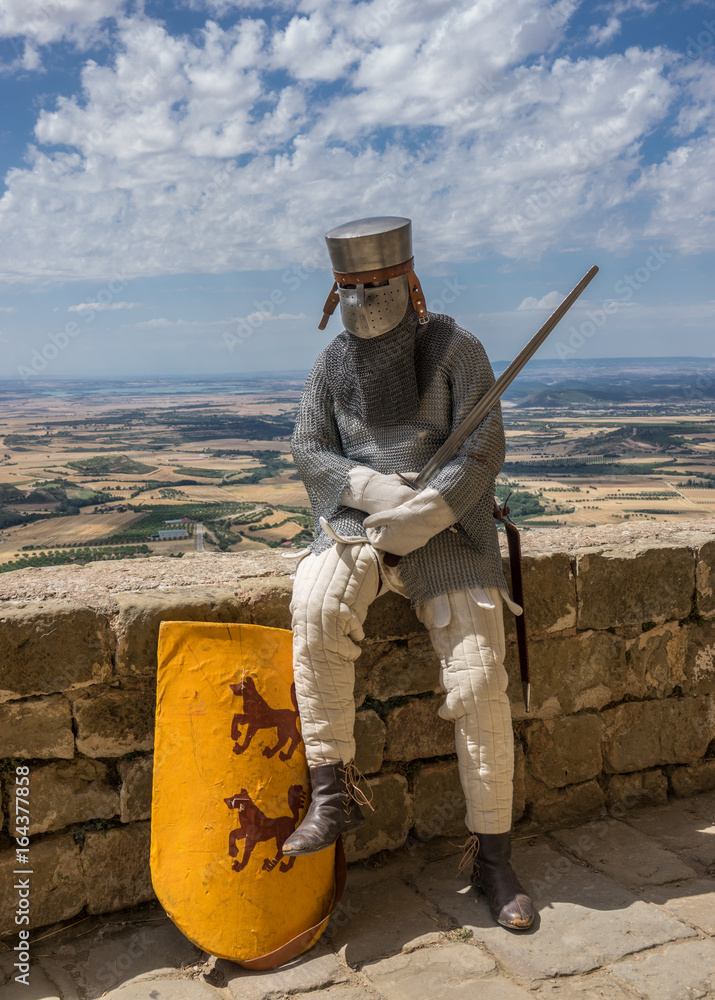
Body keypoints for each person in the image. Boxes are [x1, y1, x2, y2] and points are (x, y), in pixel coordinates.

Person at [282, 217, 534, 931]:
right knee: (315, 608)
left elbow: (481, 448)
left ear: (410, 279)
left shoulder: (456, 350)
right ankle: (330, 793)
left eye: (378, 284)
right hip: (358, 521)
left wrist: (425, 509)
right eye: (351, 287)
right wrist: (367, 489)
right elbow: (308, 448)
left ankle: (492, 859)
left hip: (448, 528)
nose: (366, 297)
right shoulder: (333, 366)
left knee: (480, 677)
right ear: (335, 291)